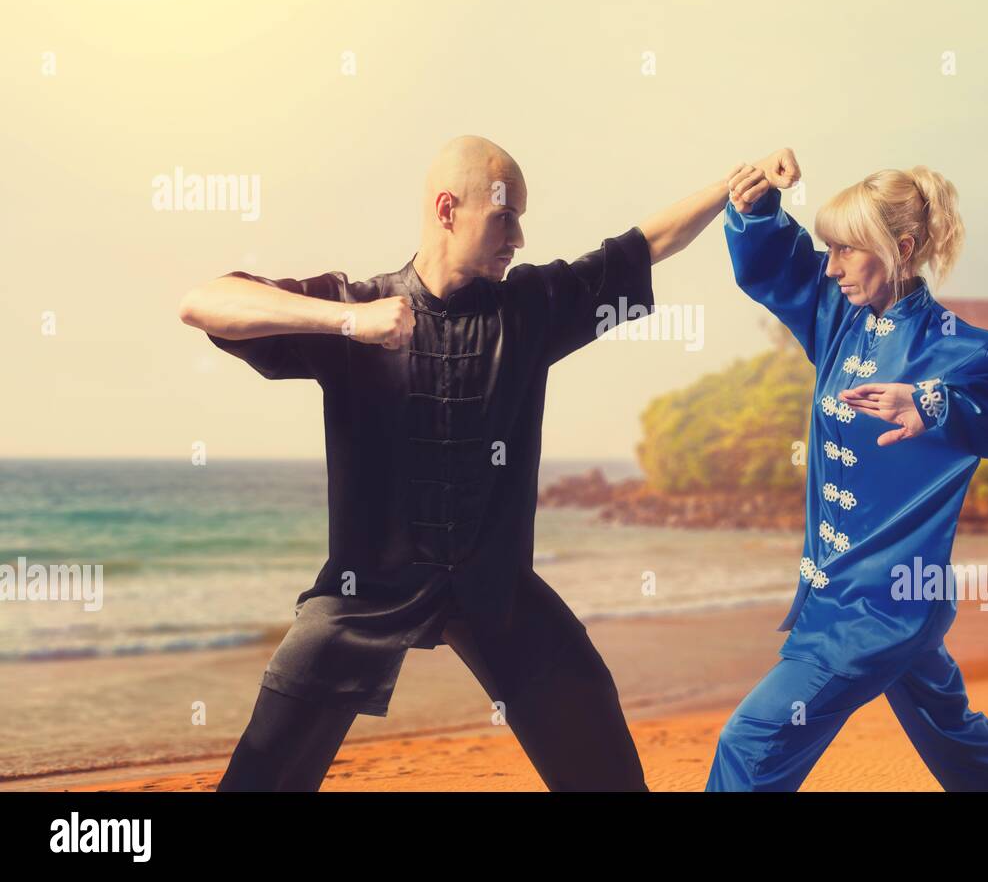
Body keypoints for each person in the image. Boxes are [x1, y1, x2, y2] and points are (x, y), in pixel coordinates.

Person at [180, 134, 796, 791]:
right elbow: (205, 302)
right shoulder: (355, 308)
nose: (519, 238)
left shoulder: (530, 308)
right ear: (448, 209)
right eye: (505, 217)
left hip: (497, 592)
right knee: (261, 777)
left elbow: (647, 244)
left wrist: (735, 183)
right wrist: (347, 323)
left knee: (599, 744)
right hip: (364, 594)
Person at [707, 157, 988, 791]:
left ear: (902, 250)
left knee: (751, 742)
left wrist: (936, 402)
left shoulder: (955, 348)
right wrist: (757, 206)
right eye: (830, 248)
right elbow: (780, 265)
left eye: (846, 250)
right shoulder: (838, 318)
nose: (831, 267)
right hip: (874, 596)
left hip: (874, 611)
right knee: (955, 735)